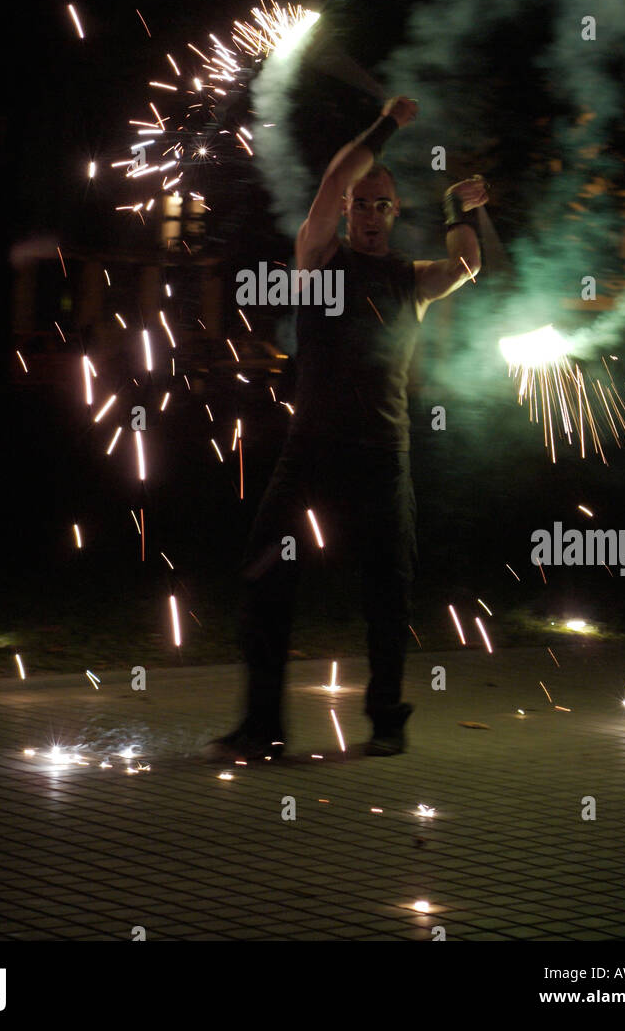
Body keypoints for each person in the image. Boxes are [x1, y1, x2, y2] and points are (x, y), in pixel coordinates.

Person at [203, 97, 488, 762]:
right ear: (346, 211)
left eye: (382, 205)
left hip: (382, 457)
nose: (369, 213)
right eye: (361, 203)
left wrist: (461, 207)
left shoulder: (407, 280)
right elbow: (334, 177)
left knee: (387, 593)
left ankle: (385, 722)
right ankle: (261, 728)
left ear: (394, 214)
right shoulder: (318, 260)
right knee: (263, 576)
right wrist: (388, 123)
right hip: (311, 452)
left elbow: (468, 265)